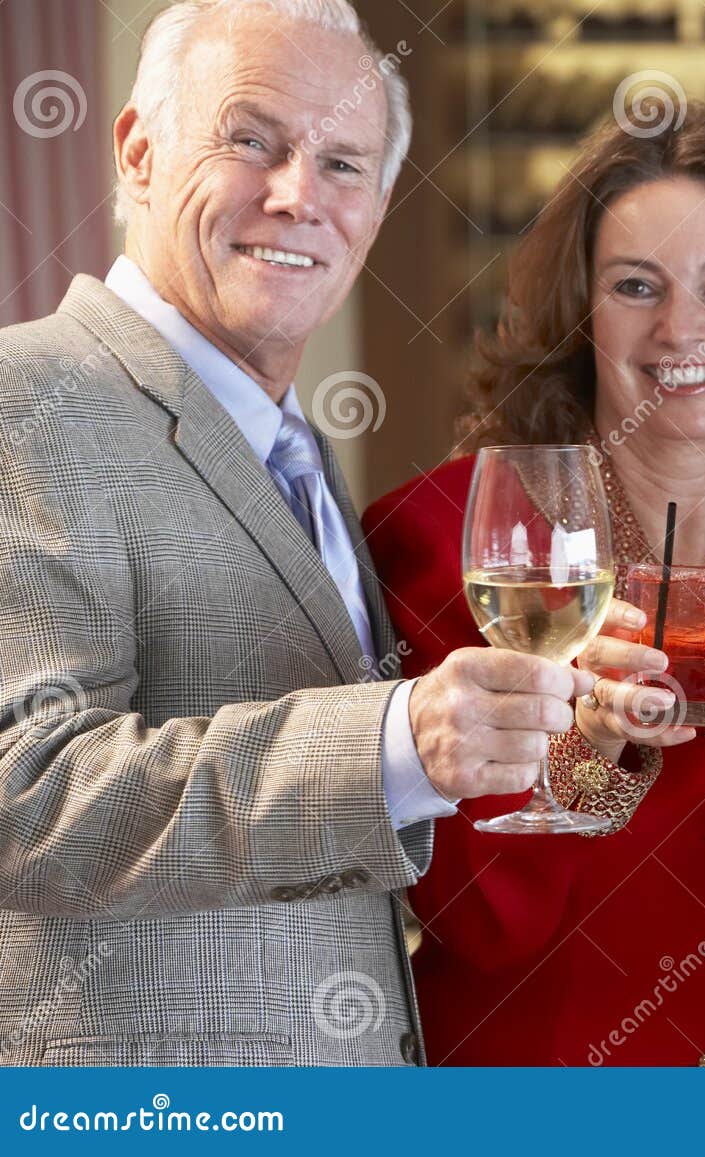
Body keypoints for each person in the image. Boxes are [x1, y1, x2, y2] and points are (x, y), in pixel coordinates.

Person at [0, 0, 595, 1066]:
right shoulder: (26, 397)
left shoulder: (292, 443)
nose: (297, 196)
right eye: (250, 140)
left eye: (344, 164)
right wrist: (388, 744)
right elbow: (25, 795)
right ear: (138, 150)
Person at [361, 103, 705, 1066]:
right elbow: (472, 921)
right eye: (635, 286)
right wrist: (582, 745)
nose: (681, 326)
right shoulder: (443, 541)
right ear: (583, 316)